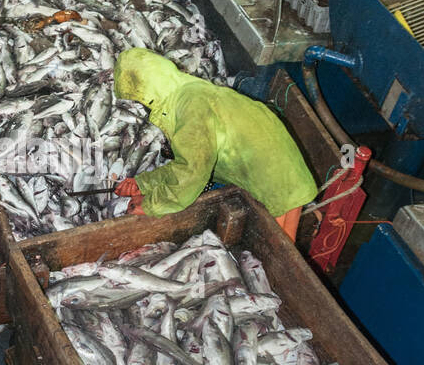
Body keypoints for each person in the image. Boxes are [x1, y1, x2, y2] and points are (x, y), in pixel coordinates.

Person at [113, 48, 316, 239]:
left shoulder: (192, 105)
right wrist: (142, 183)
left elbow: (193, 170)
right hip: (275, 170)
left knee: (279, 255)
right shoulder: (188, 91)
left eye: (139, 101)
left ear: (147, 94)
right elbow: (187, 163)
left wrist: (150, 205)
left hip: (275, 180)